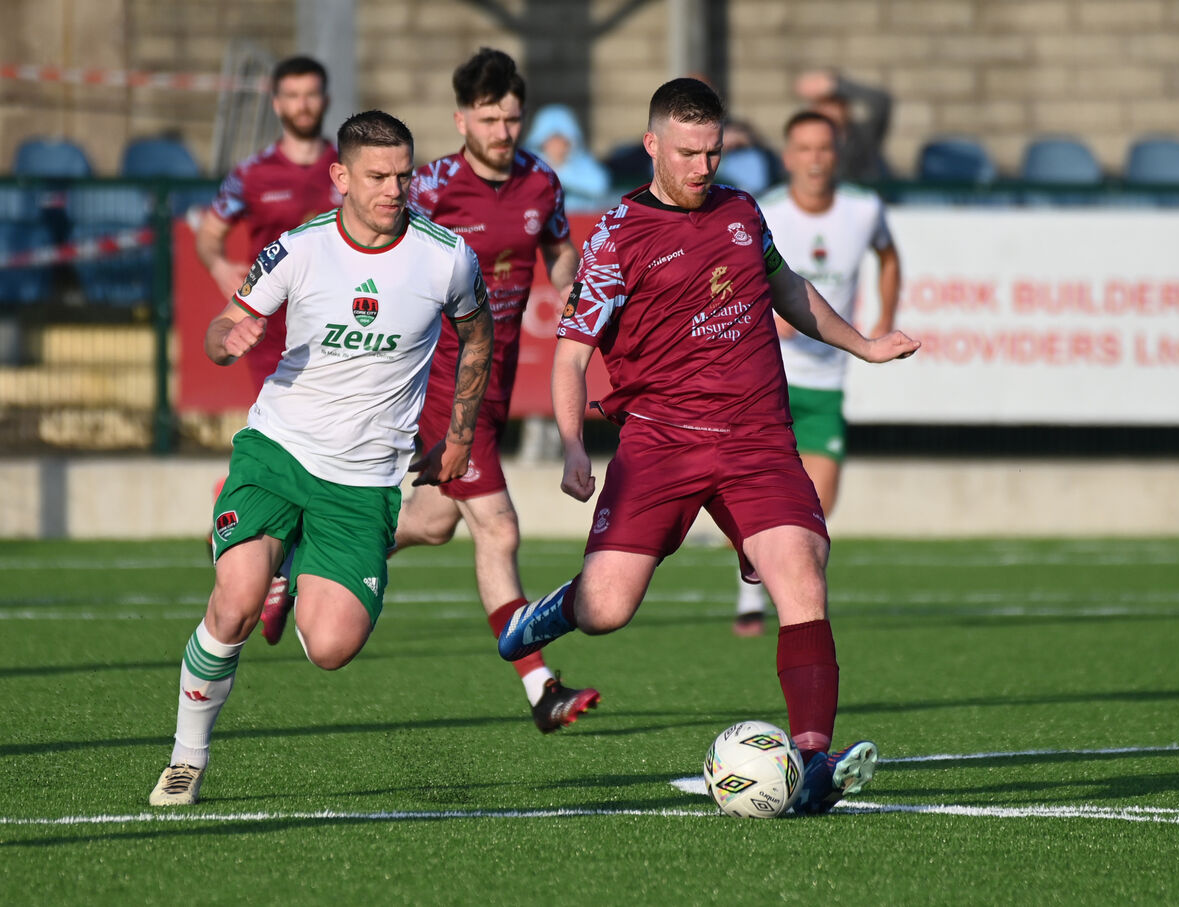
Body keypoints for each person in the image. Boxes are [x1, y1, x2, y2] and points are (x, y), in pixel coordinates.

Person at [497, 78, 919, 815]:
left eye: (713, 151)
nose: (702, 167)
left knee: (803, 573)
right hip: (661, 444)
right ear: (653, 144)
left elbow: (788, 288)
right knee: (608, 607)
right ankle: (551, 612)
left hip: (757, 437)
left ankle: (813, 762)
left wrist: (865, 344)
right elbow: (570, 354)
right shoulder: (619, 234)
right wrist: (572, 444)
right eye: (688, 152)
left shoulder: (741, 210)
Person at [148, 110, 494, 806]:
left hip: (364, 480)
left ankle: (297, 564)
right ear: (340, 175)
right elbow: (222, 329)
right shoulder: (299, 249)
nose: (394, 189)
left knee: (332, 646)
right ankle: (187, 754)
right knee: (237, 601)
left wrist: (459, 437)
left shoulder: (446, 255)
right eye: (377, 176)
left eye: (404, 175)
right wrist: (229, 335)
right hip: (277, 451)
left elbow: (478, 333)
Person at [393, 49, 600, 732]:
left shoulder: (542, 181)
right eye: (489, 119)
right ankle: (541, 687)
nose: (503, 131)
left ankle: (303, 543)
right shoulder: (429, 187)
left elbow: (562, 255)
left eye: (512, 118)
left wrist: (585, 292)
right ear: (461, 119)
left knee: (431, 521)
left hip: (496, 378)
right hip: (442, 382)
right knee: (499, 528)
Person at [733, 110, 901, 637]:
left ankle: (792, 605)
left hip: (827, 380)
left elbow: (888, 257)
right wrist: (772, 315)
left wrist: (882, 320)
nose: (814, 160)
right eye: (803, 149)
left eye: (823, 149)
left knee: (815, 507)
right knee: (763, 501)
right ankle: (751, 601)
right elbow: (736, 280)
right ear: (787, 157)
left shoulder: (863, 208)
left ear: (837, 155)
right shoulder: (769, 212)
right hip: (769, 380)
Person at [195, 55, 343, 391]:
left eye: (311, 94)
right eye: (292, 95)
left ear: (326, 101)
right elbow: (209, 233)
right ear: (276, 104)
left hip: (340, 325)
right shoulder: (251, 174)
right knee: (278, 432)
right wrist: (219, 267)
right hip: (270, 330)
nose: (302, 105)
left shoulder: (350, 168)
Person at [794, 69, 892, 182]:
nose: (829, 110)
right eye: (823, 103)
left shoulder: (863, 136)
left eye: (835, 103)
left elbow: (882, 102)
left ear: (846, 107)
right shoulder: (805, 138)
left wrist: (836, 86)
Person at [524, 103, 613, 212]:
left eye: (561, 140)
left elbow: (599, 186)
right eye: (551, 140)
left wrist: (560, 175)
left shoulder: (583, 164)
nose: (556, 145)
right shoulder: (529, 166)